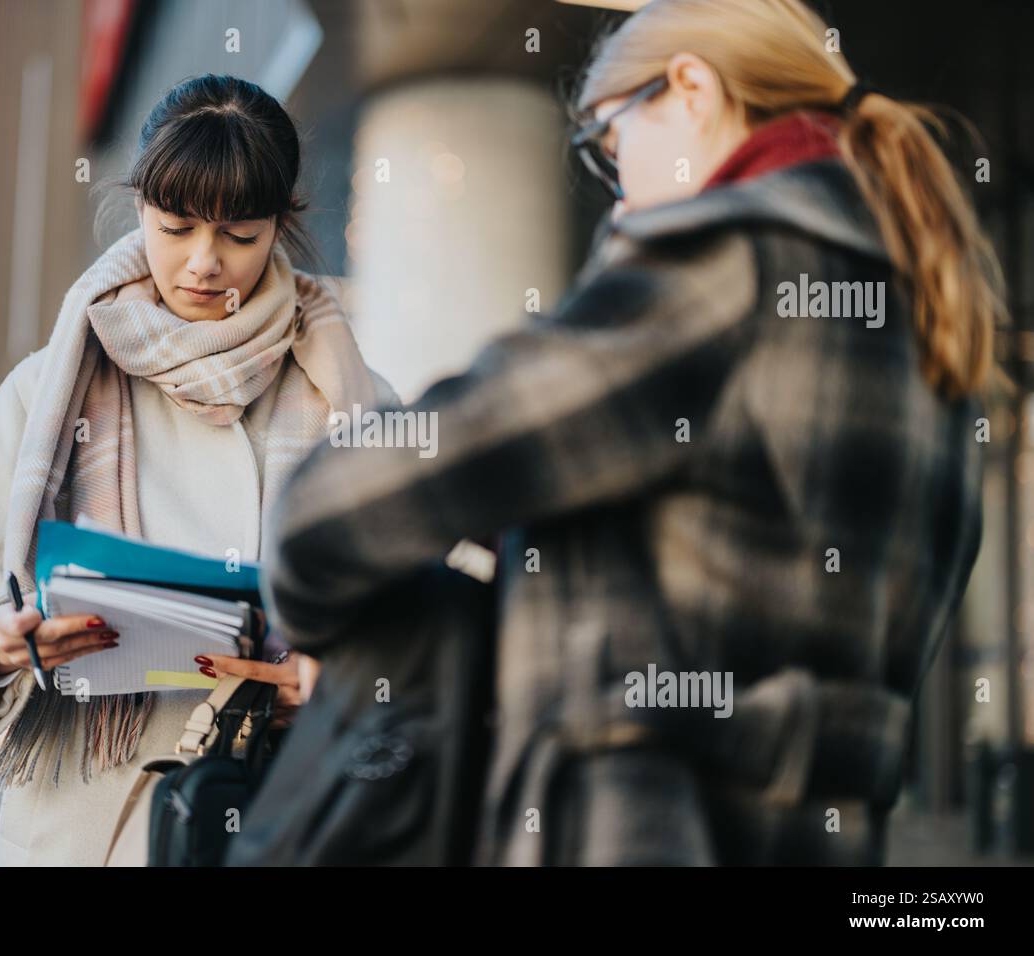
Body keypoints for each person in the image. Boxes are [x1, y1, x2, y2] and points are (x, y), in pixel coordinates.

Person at [259, 0, 1003, 865]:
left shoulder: (727, 267)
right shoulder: (930, 330)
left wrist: (312, 610)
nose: (620, 196)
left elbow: (349, 500)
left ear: (689, 89)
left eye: (612, 146)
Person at [0, 74, 395, 866]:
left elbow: (430, 614)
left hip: (285, 813)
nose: (204, 263)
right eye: (177, 227)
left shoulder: (354, 396)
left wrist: (347, 678)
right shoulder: (48, 389)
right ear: (138, 212)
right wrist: (0, 640)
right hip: (86, 823)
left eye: (239, 235)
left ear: (280, 227)